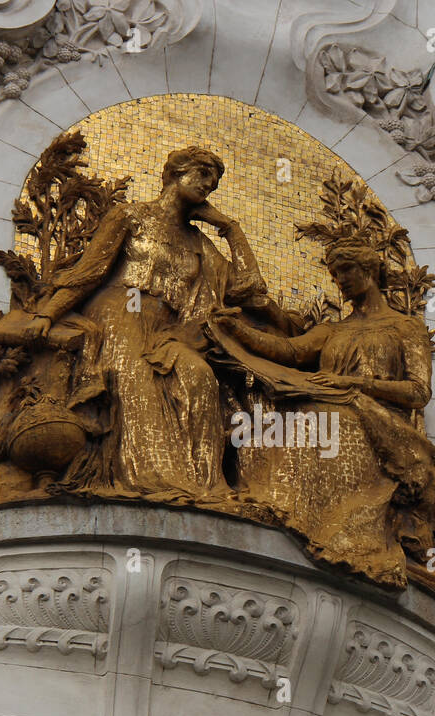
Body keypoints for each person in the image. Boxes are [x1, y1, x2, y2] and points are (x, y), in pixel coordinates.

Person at [210, 237, 435, 605]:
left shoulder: (404, 328)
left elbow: (417, 392)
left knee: (321, 420)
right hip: (329, 408)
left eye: (347, 271)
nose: (341, 280)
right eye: (335, 273)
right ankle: (282, 515)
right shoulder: (335, 329)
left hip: (382, 427)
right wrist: (238, 331)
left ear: (370, 270)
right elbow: (291, 351)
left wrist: (354, 384)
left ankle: (329, 530)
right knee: (279, 425)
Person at [24, 145, 267, 501]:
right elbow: (89, 273)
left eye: (213, 184)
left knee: (199, 378)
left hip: (171, 330)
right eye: (202, 175)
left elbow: (250, 289)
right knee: (136, 378)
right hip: (120, 311)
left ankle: (206, 489)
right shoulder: (130, 217)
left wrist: (231, 228)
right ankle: (150, 481)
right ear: (173, 174)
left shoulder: (199, 242)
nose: (208, 186)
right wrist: (48, 313)